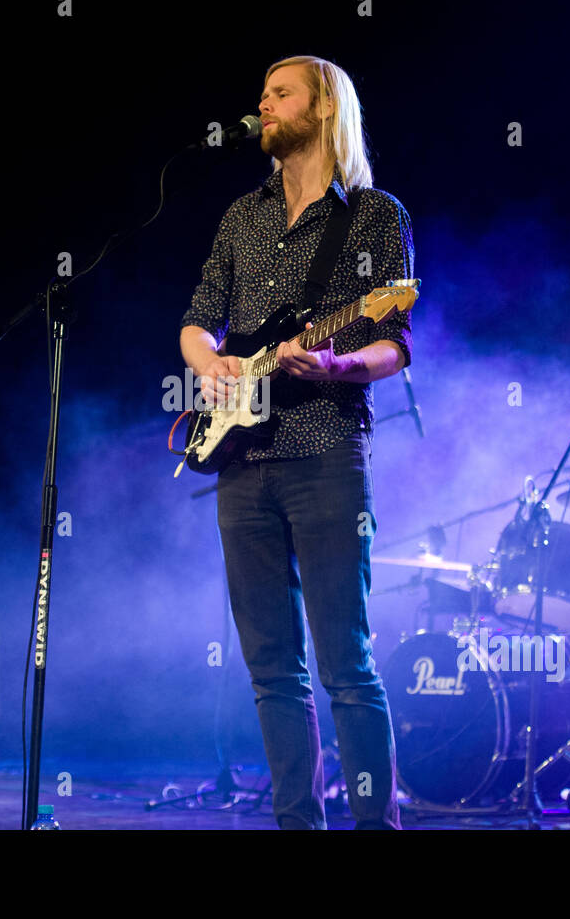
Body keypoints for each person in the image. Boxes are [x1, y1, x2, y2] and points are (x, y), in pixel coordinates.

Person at [179, 56, 414, 829]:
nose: (263, 104)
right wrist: (208, 361)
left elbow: (394, 339)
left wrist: (342, 363)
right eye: (262, 94)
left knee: (346, 664)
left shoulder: (374, 215)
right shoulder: (242, 215)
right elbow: (198, 314)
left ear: (322, 107)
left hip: (325, 454)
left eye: (280, 94)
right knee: (272, 670)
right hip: (241, 463)